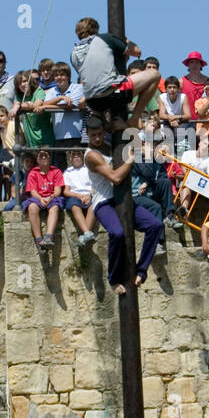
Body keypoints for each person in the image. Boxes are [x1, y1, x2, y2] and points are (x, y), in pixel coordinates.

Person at [84, 115, 163, 291]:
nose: (97, 138)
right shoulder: (91, 156)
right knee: (117, 233)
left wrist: (125, 126)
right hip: (103, 202)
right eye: (93, 135)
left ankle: (141, 271)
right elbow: (116, 177)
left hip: (122, 199)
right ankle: (113, 279)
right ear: (87, 134)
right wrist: (131, 159)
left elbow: (137, 142)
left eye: (99, 134)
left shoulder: (109, 144)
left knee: (155, 225)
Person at [71, 18, 160, 131]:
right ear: (96, 29)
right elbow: (137, 51)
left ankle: (107, 122)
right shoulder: (105, 39)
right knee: (154, 75)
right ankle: (134, 118)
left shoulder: (73, 54)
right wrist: (124, 40)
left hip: (93, 102)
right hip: (113, 93)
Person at [23, 147, 65, 250]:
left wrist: (50, 197)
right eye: (41, 156)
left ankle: (48, 237)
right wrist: (41, 198)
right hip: (38, 197)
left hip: (52, 197)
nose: (43, 158)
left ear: (50, 158)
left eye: (46, 155)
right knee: (32, 207)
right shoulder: (33, 173)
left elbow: (58, 191)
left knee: (54, 207)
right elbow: (33, 191)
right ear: (37, 159)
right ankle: (39, 239)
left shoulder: (56, 171)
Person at [63, 146, 97, 244]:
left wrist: (89, 196)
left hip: (89, 195)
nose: (76, 157)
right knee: (74, 206)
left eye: (79, 155)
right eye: (74, 155)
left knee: (94, 204)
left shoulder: (89, 169)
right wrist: (79, 196)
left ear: (83, 157)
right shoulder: (68, 172)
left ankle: (86, 235)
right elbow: (66, 191)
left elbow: (95, 186)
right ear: (70, 158)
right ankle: (87, 232)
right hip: (75, 196)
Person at [181, 51, 209, 119]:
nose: (194, 65)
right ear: (188, 65)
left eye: (197, 62)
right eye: (192, 62)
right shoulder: (181, 81)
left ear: (201, 65)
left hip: (205, 121)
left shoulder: (208, 81)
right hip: (187, 121)